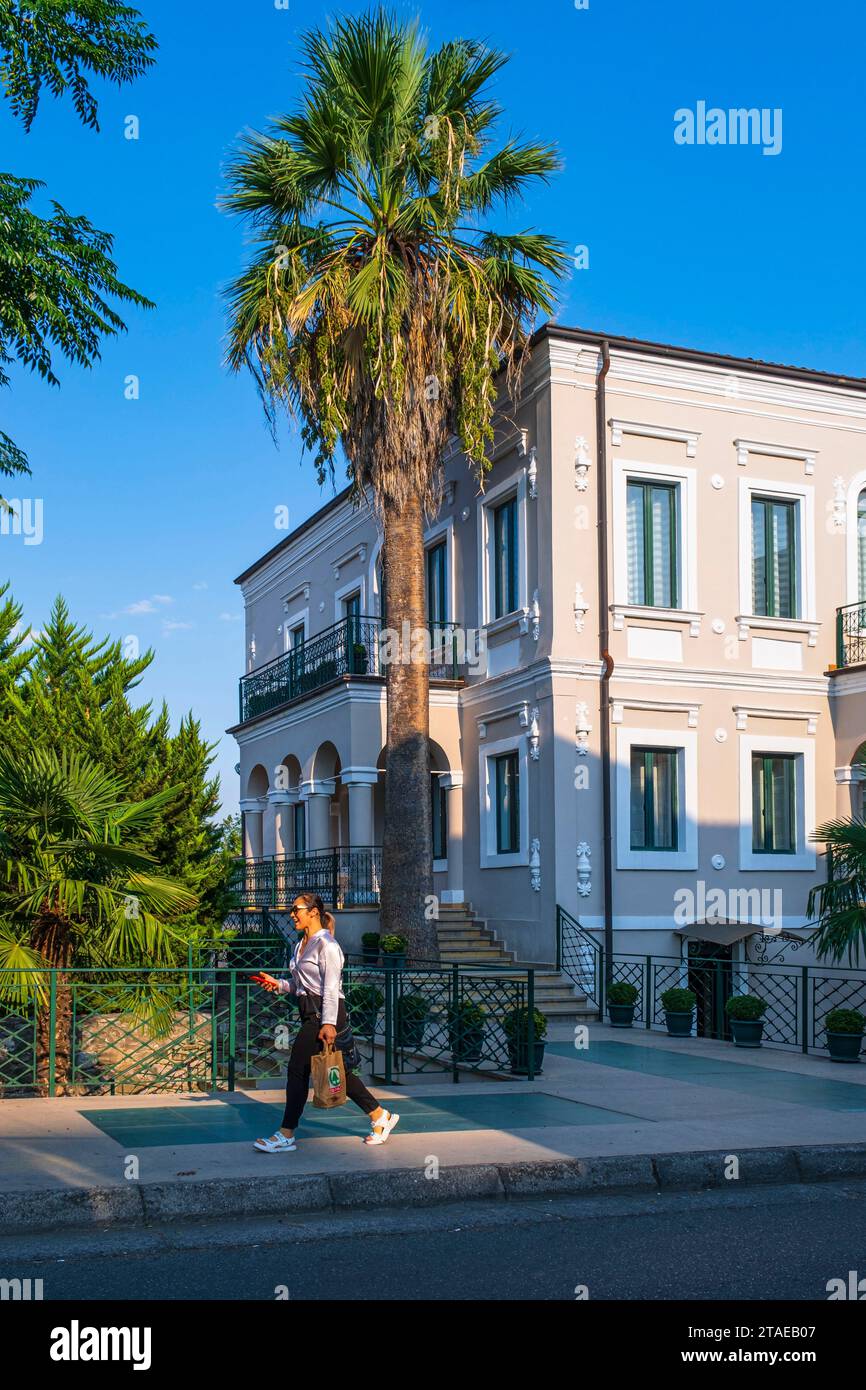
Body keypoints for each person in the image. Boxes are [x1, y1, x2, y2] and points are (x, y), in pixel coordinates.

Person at [252, 892, 399, 1152]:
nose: (292, 914)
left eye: (296, 909)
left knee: (297, 1070)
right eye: (292, 909)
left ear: (313, 912)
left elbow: (331, 988)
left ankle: (286, 1134)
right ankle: (380, 1116)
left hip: (325, 1015)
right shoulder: (300, 945)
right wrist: (279, 984)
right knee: (340, 1071)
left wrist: (328, 1024)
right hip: (311, 1013)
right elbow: (301, 985)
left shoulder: (327, 946)